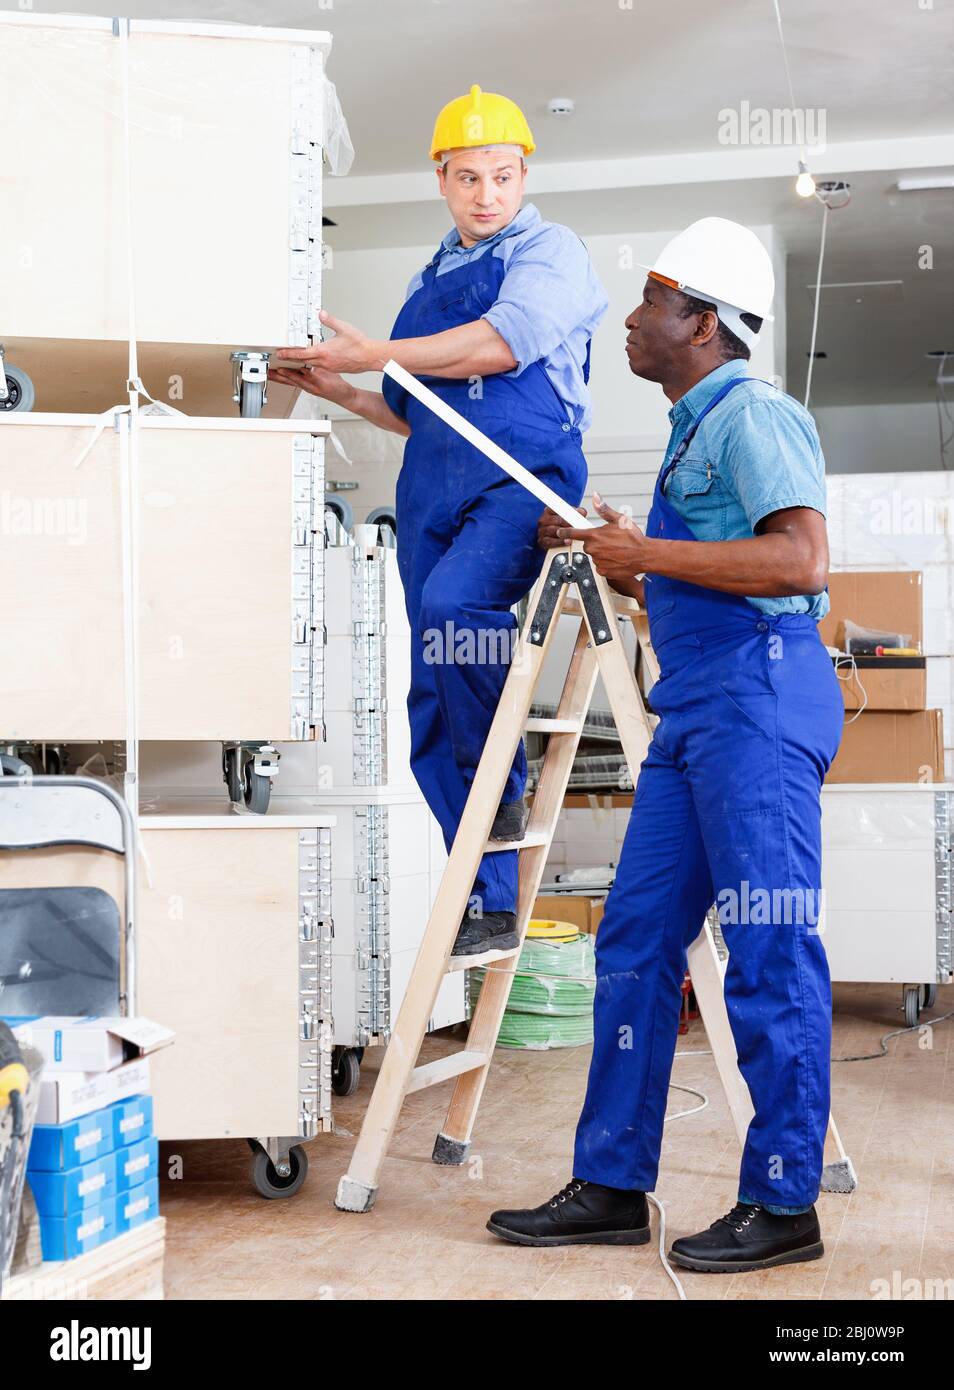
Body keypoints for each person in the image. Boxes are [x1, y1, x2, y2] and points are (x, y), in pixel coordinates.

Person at [486, 217, 845, 1273]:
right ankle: (611, 1182)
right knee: (635, 943)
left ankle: (785, 1202)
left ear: (703, 323)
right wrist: (617, 557)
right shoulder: (695, 430)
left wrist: (642, 549)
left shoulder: (752, 414)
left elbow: (800, 561)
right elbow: (696, 582)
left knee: (769, 946)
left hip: (759, 700)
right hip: (699, 711)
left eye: (652, 299)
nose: (632, 318)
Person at [271, 86, 608, 957]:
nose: (487, 194)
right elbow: (414, 410)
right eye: (468, 177)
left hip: (518, 479)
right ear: (442, 179)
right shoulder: (429, 279)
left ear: (524, 175)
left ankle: (502, 807)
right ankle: (480, 898)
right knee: (428, 693)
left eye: (502, 175)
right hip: (431, 487)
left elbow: (504, 343)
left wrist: (376, 352)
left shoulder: (551, 253)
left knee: (460, 612)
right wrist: (343, 390)